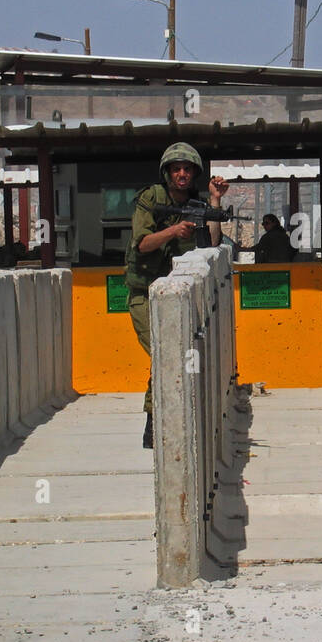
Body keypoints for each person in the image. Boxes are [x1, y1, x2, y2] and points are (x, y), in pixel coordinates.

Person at [123, 142, 230, 449]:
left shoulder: (196, 203)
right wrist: (173, 231)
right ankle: (153, 424)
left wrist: (214, 200)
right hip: (145, 292)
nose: (182, 174)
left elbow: (210, 243)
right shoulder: (151, 198)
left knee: (176, 356)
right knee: (163, 353)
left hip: (176, 295)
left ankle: (160, 424)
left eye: (187, 169)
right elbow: (142, 243)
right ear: (167, 172)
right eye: (176, 169)